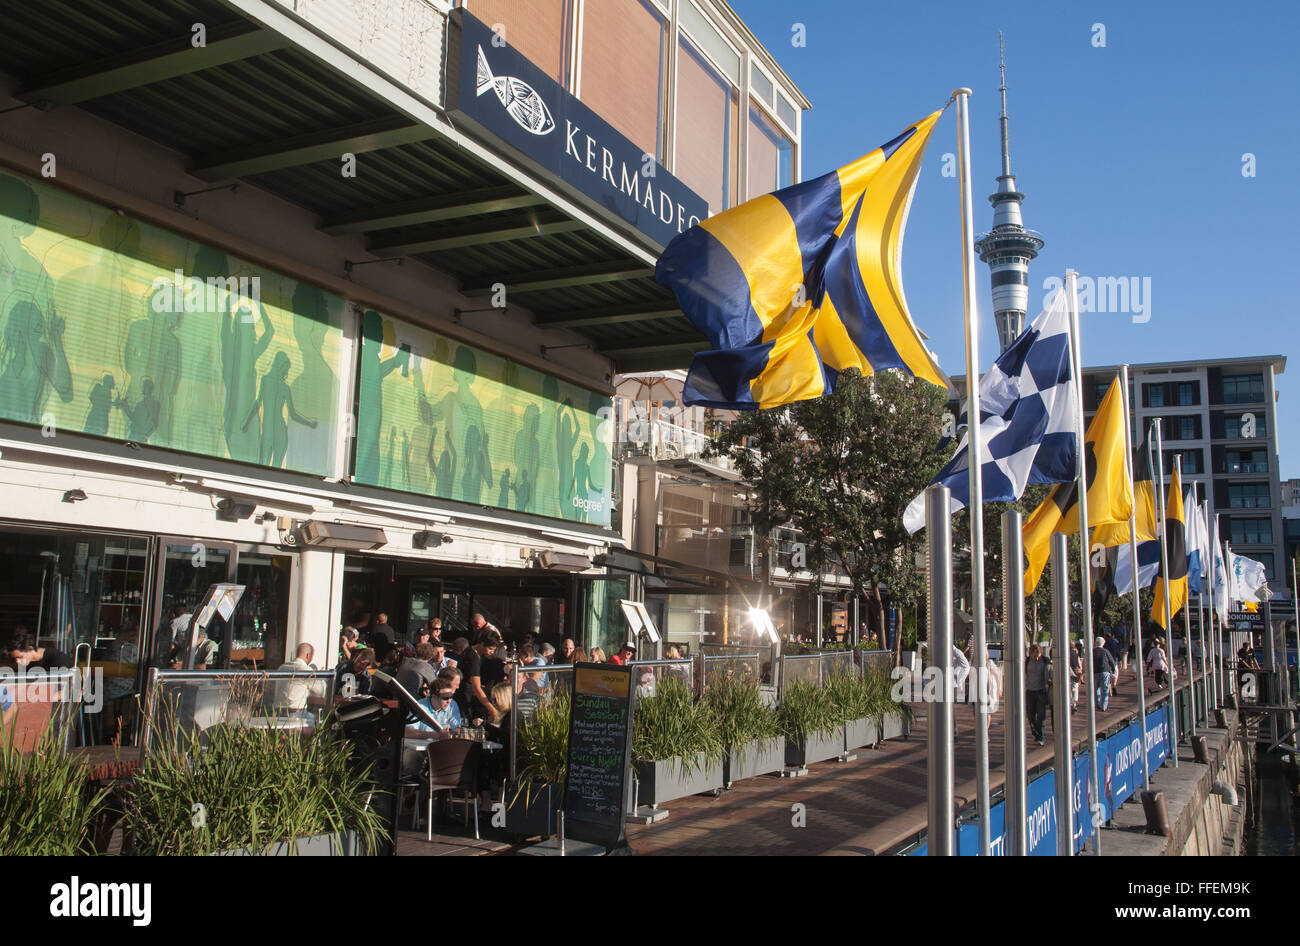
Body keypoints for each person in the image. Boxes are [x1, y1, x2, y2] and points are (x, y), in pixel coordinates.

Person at [455, 629, 503, 724]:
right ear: (481, 643)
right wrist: (492, 710)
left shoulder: (470, 651)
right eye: (490, 649)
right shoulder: (473, 659)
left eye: (494, 649)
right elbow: (476, 688)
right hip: (465, 699)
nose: (492, 652)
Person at [406, 669, 463, 735]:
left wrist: (454, 732)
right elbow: (408, 732)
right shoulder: (420, 706)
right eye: (445, 698)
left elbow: (456, 728)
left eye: (451, 697)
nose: (449, 701)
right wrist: (435, 735)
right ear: (434, 696)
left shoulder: (453, 705)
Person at [274, 642, 326, 713]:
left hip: (277, 711)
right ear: (308, 655)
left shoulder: (282, 668)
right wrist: (321, 676)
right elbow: (322, 692)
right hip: (296, 713)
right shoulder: (306, 671)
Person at [7, 628, 73, 670]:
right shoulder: (27, 664)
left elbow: (60, 690)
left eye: (20, 657)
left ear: (30, 648)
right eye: (14, 658)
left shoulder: (58, 659)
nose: (17, 661)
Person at [1025, 644, 1050, 746]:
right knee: (1030, 714)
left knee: (1041, 715)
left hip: (1041, 690)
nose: (1036, 658)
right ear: (1030, 654)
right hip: (1030, 690)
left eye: (1038, 655)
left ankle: (1041, 736)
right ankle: (1035, 732)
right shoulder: (1027, 661)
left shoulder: (1044, 661)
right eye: (1034, 655)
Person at [1093, 636, 1117, 712]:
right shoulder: (1105, 651)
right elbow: (1111, 661)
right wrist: (1113, 669)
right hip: (1104, 671)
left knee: (1096, 689)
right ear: (1103, 643)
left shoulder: (1092, 651)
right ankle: (1103, 706)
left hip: (1094, 672)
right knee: (1105, 689)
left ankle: (1098, 704)